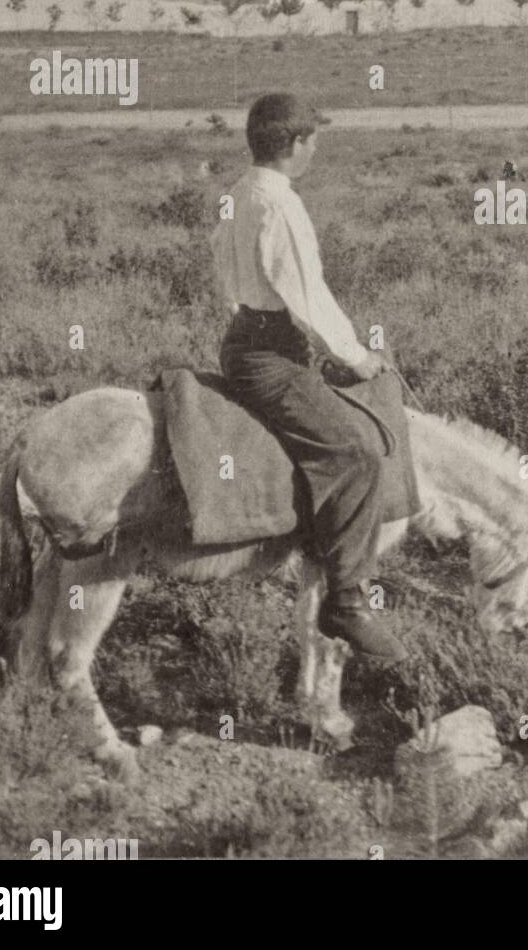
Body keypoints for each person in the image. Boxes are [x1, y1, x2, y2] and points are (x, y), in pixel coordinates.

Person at [210, 93, 407, 662]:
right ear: (294, 145)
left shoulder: (238, 193)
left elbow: (223, 262)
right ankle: (345, 600)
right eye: (313, 139)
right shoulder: (281, 204)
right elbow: (307, 295)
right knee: (357, 451)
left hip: (247, 336)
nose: (316, 148)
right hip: (271, 352)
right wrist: (355, 357)